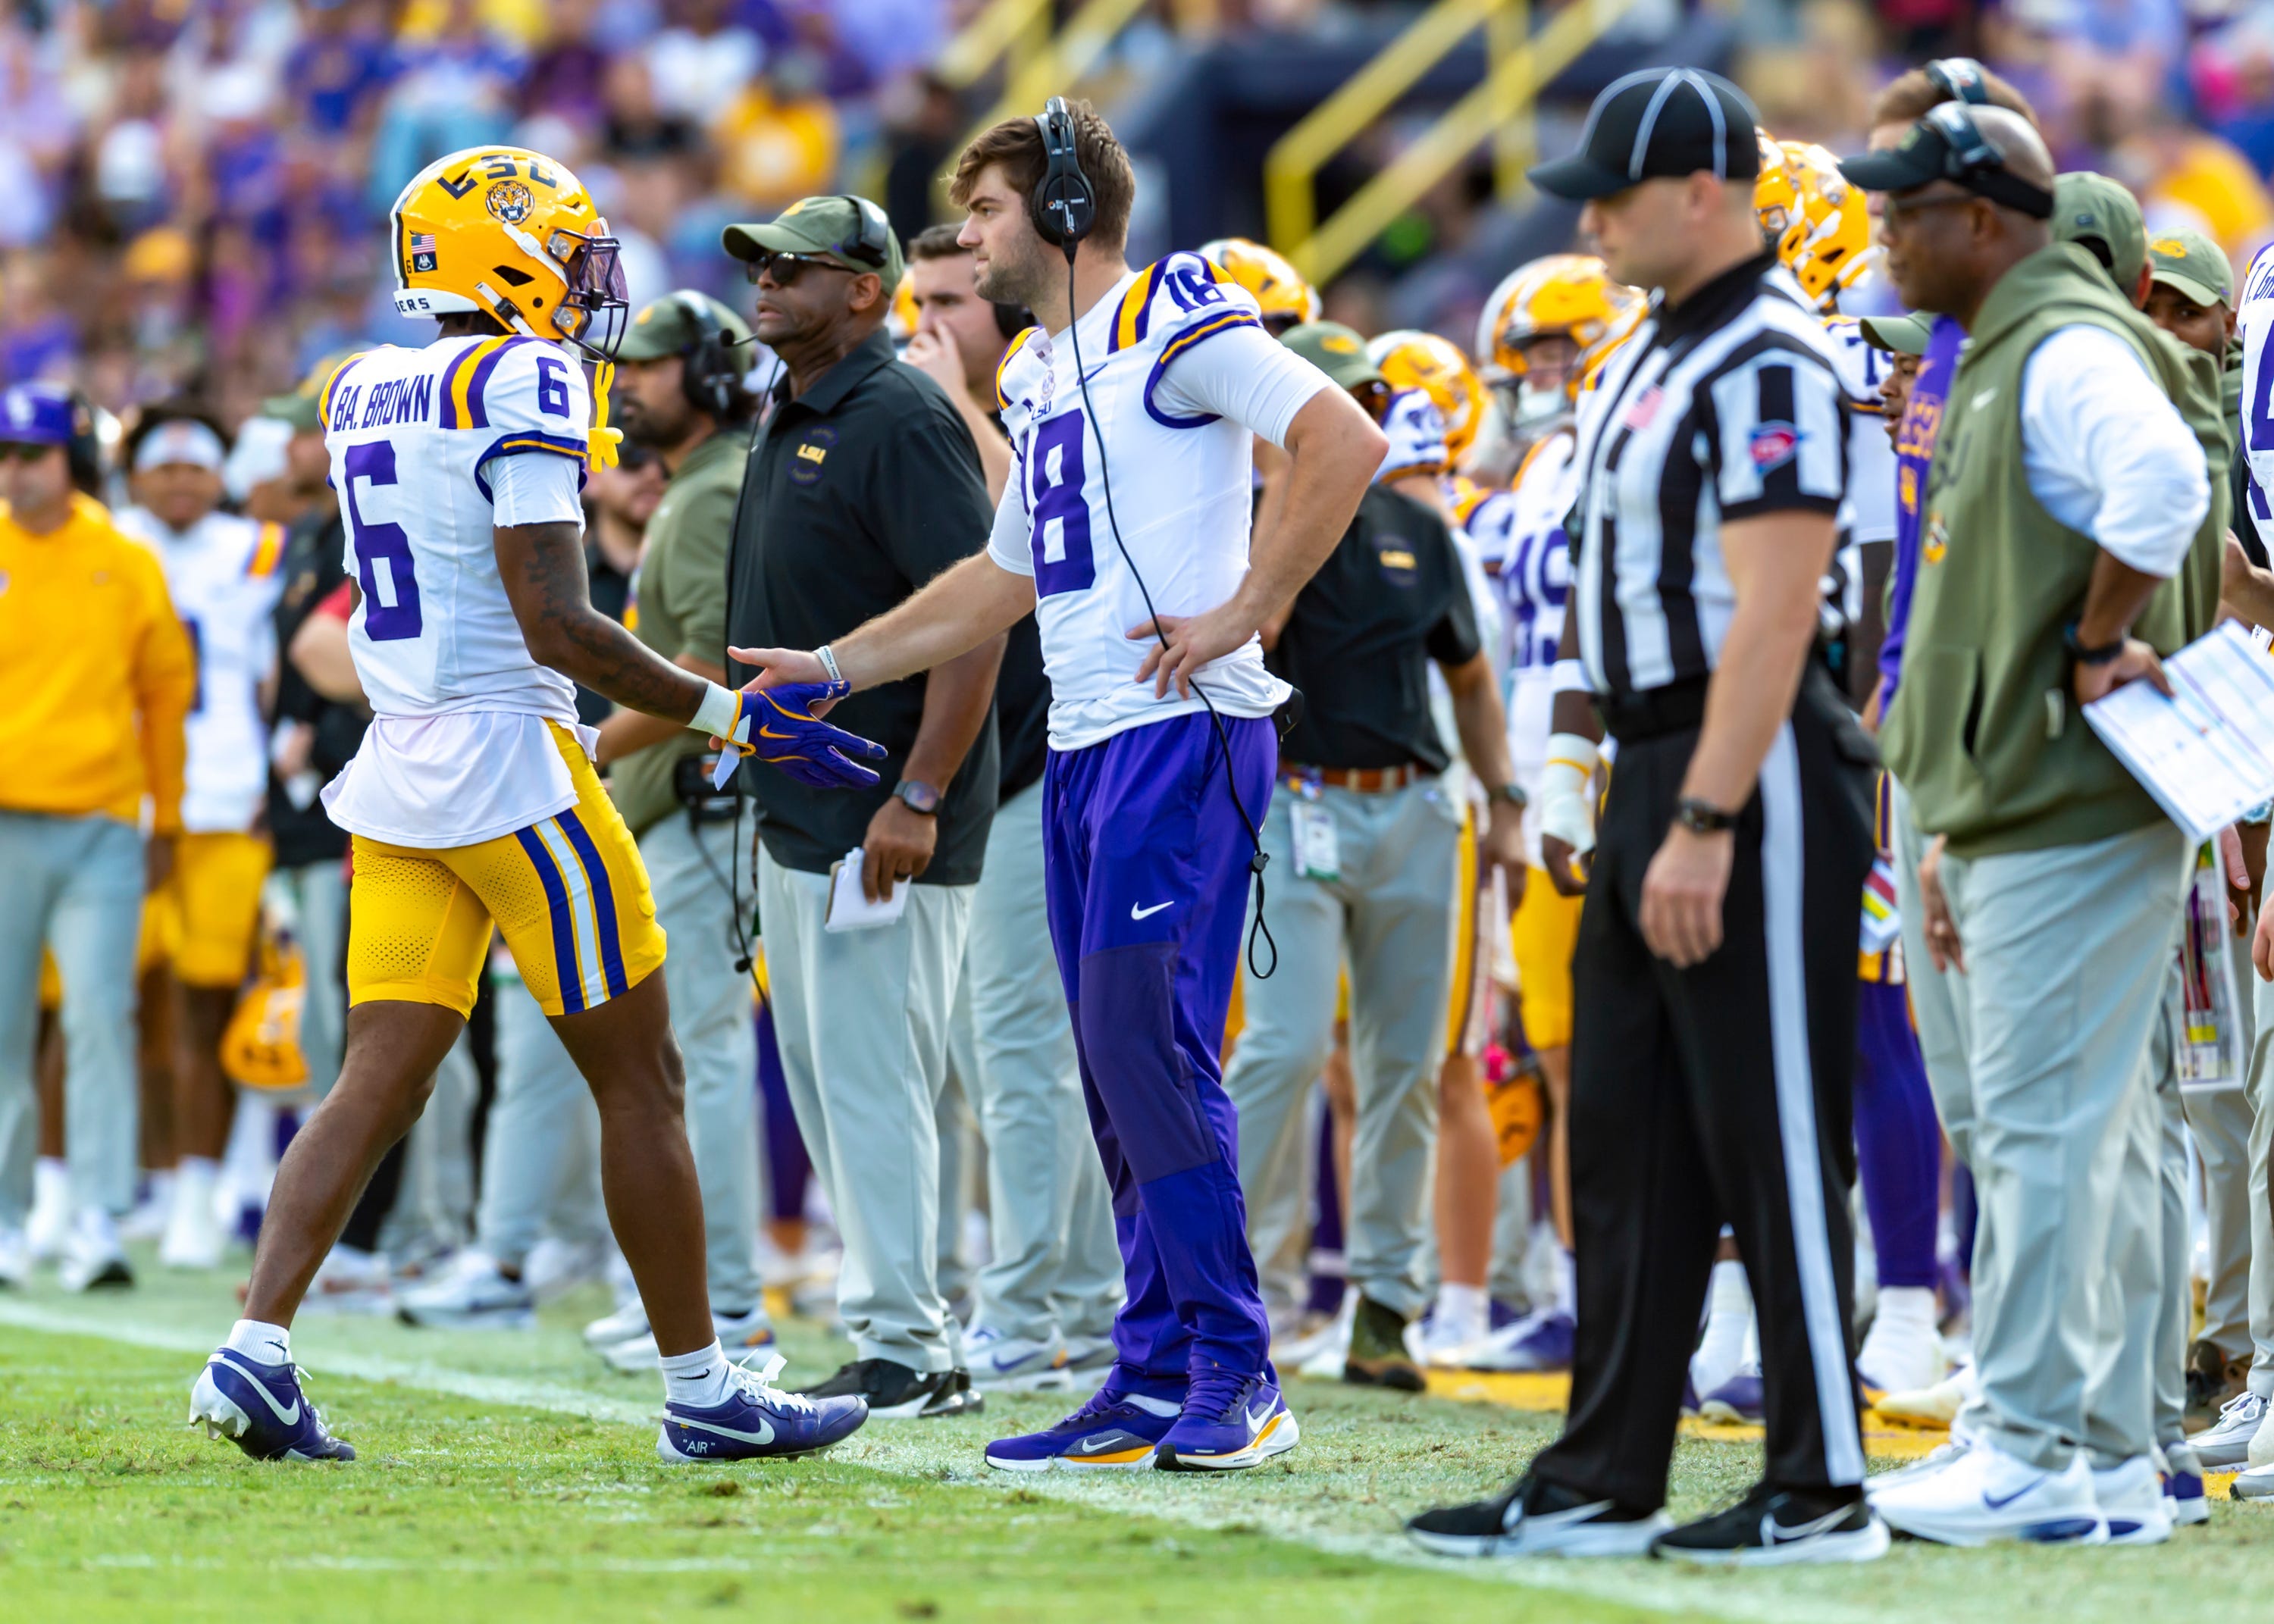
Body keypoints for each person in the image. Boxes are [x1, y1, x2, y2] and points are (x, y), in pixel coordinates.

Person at [184, 142, 869, 1466]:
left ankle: (256, 1343)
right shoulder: (526, 375)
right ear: (504, 253)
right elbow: (559, 624)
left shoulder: (366, 383)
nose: (582, 282)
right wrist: (729, 714)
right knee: (645, 1077)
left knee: (377, 1075)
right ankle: (704, 1384)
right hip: (510, 763)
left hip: (397, 767)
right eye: (563, 251)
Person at [729, 98, 1385, 1471]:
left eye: (985, 211)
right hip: (1090, 740)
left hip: (1181, 728)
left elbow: (1341, 442)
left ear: (1069, 212)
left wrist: (1250, 607)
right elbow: (1002, 578)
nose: (965, 237)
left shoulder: (1182, 316)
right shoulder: (1041, 373)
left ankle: (1236, 1365)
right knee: (1112, 1066)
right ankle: (1152, 1369)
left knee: (1150, 1049)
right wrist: (836, 664)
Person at [1410, 68, 1883, 1565]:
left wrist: (1707, 813)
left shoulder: (1767, 352)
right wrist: (1580, 770)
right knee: (1623, 1131)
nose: (1591, 223)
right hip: (1642, 762)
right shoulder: (1650, 350)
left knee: (1770, 1130)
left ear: (1704, 191)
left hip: (1743, 763)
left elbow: (1777, 607)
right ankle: (1607, 1466)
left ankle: (1820, 1483)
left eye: (1613, 194)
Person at [1844, 104, 2208, 1547]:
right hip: (2026, 798)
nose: (1884, 234)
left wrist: (2094, 646)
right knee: (2076, 1130)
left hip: (2067, 792)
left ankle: (2038, 1447)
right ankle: (2108, 1453)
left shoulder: (2060, 345)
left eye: (1906, 211)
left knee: (2049, 1130)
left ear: (1982, 220)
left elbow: (2169, 489)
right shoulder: (2011, 347)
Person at [720, 193, 1007, 1419]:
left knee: (879, 1081)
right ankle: (892, 1321)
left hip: (878, 809)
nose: (768, 282)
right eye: (763, 265)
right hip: (805, 808)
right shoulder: (798, 404)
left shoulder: (897, 415)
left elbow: (979, 613)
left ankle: (913, 1344)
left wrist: (921, 792)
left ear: (865, 291)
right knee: (837, 1083)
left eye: (798, 267)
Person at [1218, 322, 1523, 1394]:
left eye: (1359, 403)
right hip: (1295, 803)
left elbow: (1474, 678)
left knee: (1405, 1066)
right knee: (1286, 1047)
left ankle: (1386, 1305)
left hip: (1414, 808)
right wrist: (1292, 528)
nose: (1346, 421)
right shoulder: (1246, 522)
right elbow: (1247, 645)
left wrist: (1510, 802)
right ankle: (1227, 1287)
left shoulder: (1418, 527)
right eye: (1321, 402)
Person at [904, 221, 1126, 1391]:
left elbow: (1028, 542)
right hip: (1009, 770)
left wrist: (960, 408)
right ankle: (1077, 1301)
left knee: (1027, 1054)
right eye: (918, 301)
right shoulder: (993, 397)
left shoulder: (1049, 388)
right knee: (1014, 1060)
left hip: (1060, 761)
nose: (931, 325)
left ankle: (1039, 1305)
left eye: (951, 296)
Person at [570, 290, 775, 1370]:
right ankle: (718, 1292)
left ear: (705, 375)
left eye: (647, 367)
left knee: (696, 1053)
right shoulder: (698, 487)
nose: (627, 387)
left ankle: (731, 1300)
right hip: (693, 805)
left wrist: (599, 743)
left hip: (699, 806)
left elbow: (704, 663)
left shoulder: (703, 496)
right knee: (688, 1053)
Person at [1452, 253, 1643, 1373]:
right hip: (1539, 771)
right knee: (1552, 1051)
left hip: (1601, 768)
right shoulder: (1542, 464)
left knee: (1595, 1055)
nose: (1539, 375)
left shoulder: (1603, 451)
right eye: (1529, 356)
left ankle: (1610, 1289)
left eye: (1557, 351)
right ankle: (1578, 1285)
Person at [0, 383, 193, 1292]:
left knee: (100, 1019)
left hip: (105, 824)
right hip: (5, 822)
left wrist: (169, 813)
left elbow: (165, 697)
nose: (13, 471)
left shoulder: (125, 559)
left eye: (29, 455)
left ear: (70, 462)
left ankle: (97, 1220)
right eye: (4, 454)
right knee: (3, 1029)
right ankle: (5, 1225)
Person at [113, 408, 289, 1272]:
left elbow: (271, 677)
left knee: (206, 1000)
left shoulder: (257, 550)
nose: (180, 480)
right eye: (162, 466)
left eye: (196, 467)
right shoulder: (101, 543)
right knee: (109, 1005)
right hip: (117, 800)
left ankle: (197, 1186)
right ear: (132, 475)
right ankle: (133, 1179)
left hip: (223, 794)